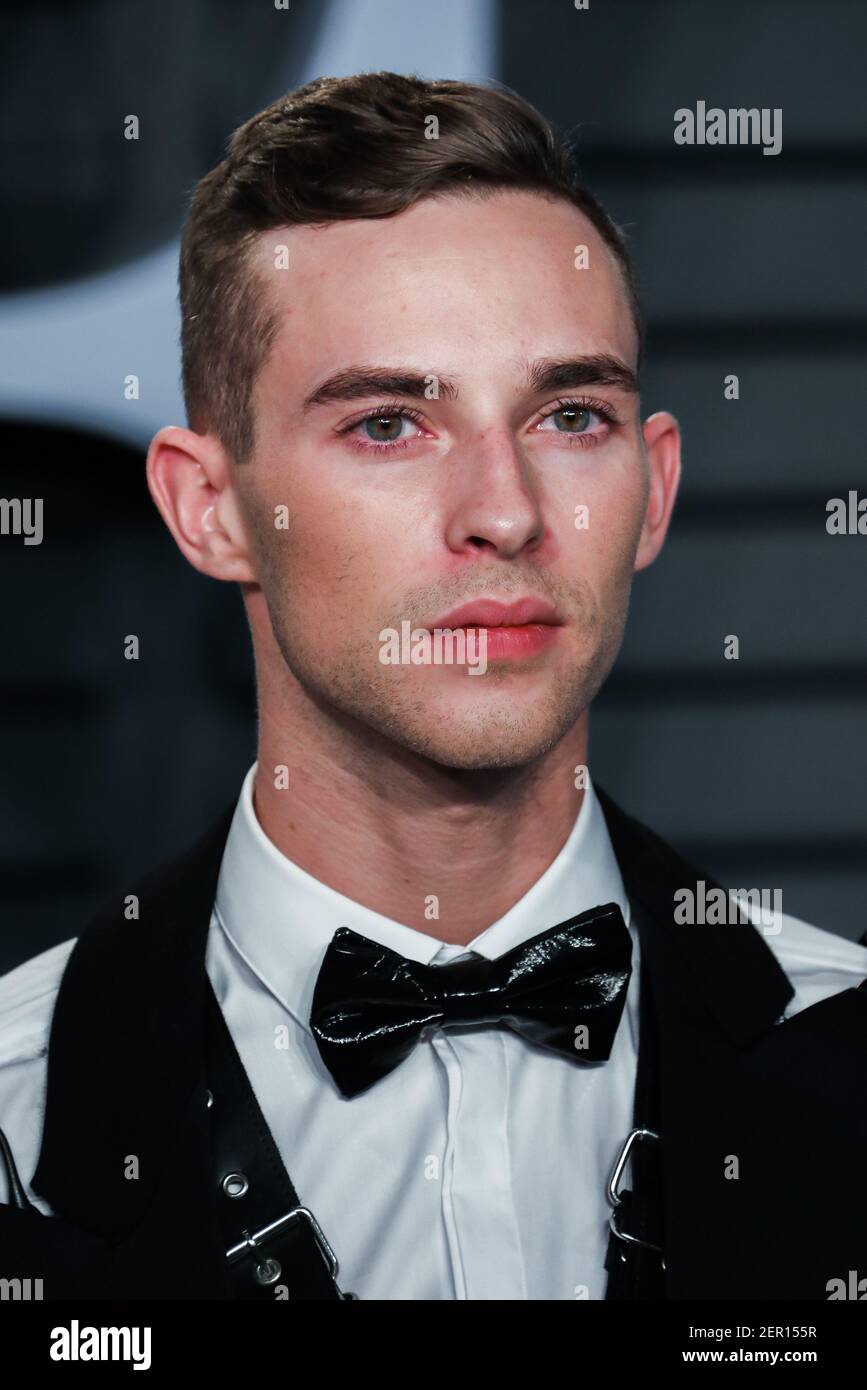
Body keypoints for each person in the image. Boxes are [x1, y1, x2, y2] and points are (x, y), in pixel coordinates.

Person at [1, 71, 864, 1302]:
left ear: (654, 489)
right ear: (212, 507)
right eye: (390, 426)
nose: (506, 513)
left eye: (570, 415)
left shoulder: (844, 1046)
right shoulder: (15, 1116)